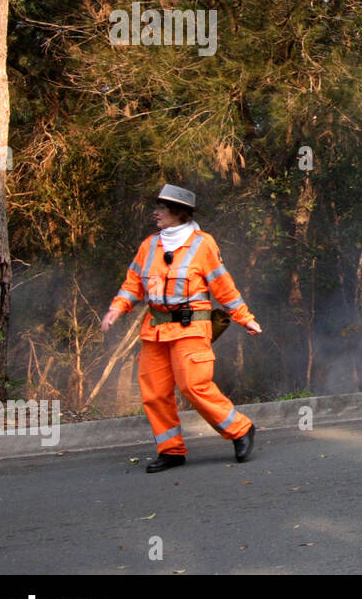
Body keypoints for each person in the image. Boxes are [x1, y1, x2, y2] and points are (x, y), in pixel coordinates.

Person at [101, 184, 262, 472]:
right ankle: (171, 450)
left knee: (193, 385)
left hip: (192, 327)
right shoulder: (149, 245)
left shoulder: (203, 244)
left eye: (161, 208)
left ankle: (240, 429)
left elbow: (222, 286)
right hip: (155, 330)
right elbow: (133, 283)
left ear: (179, 212)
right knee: (154, 392)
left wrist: (244, 317)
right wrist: (116, 309)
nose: (156, 212)